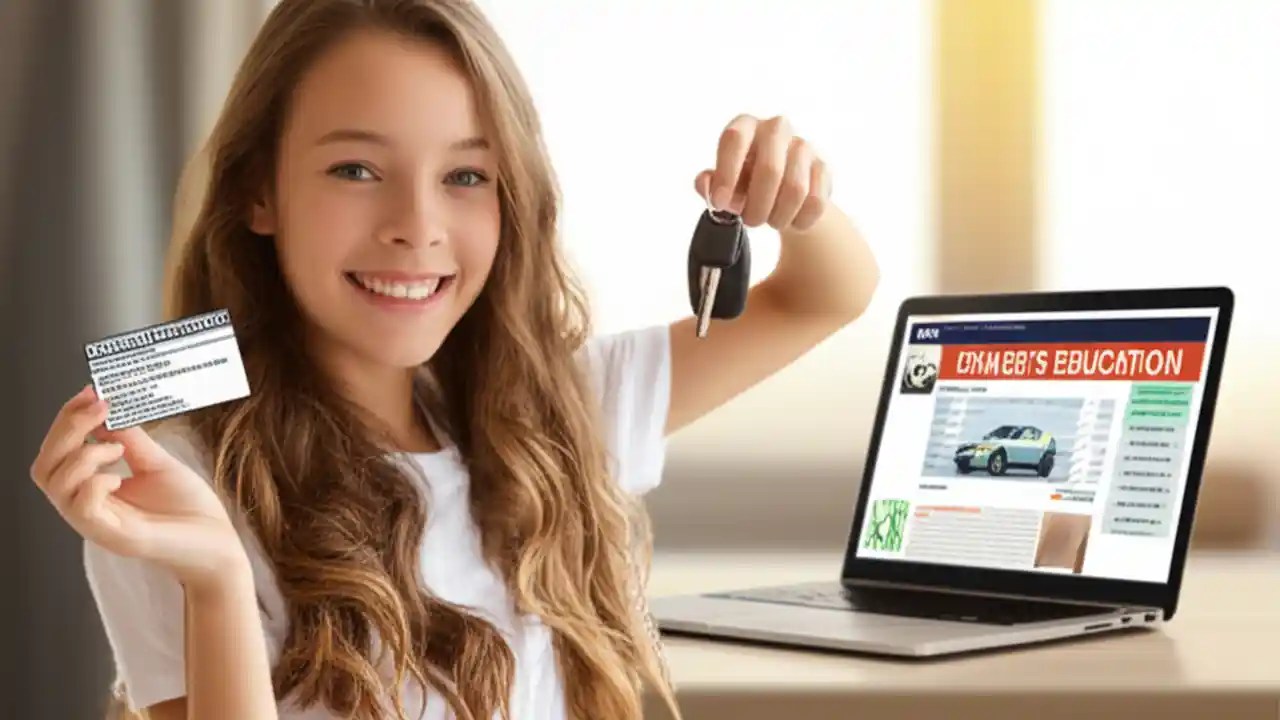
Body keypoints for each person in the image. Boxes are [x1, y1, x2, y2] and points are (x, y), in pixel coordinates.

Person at [27, 1, 879, 719]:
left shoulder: (548, 413)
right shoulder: (177, 479)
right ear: (258, 191)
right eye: (356, 168)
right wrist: (214, 578)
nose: (417, 226)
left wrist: (793, 200)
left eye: (466, 177)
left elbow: (826, 293)